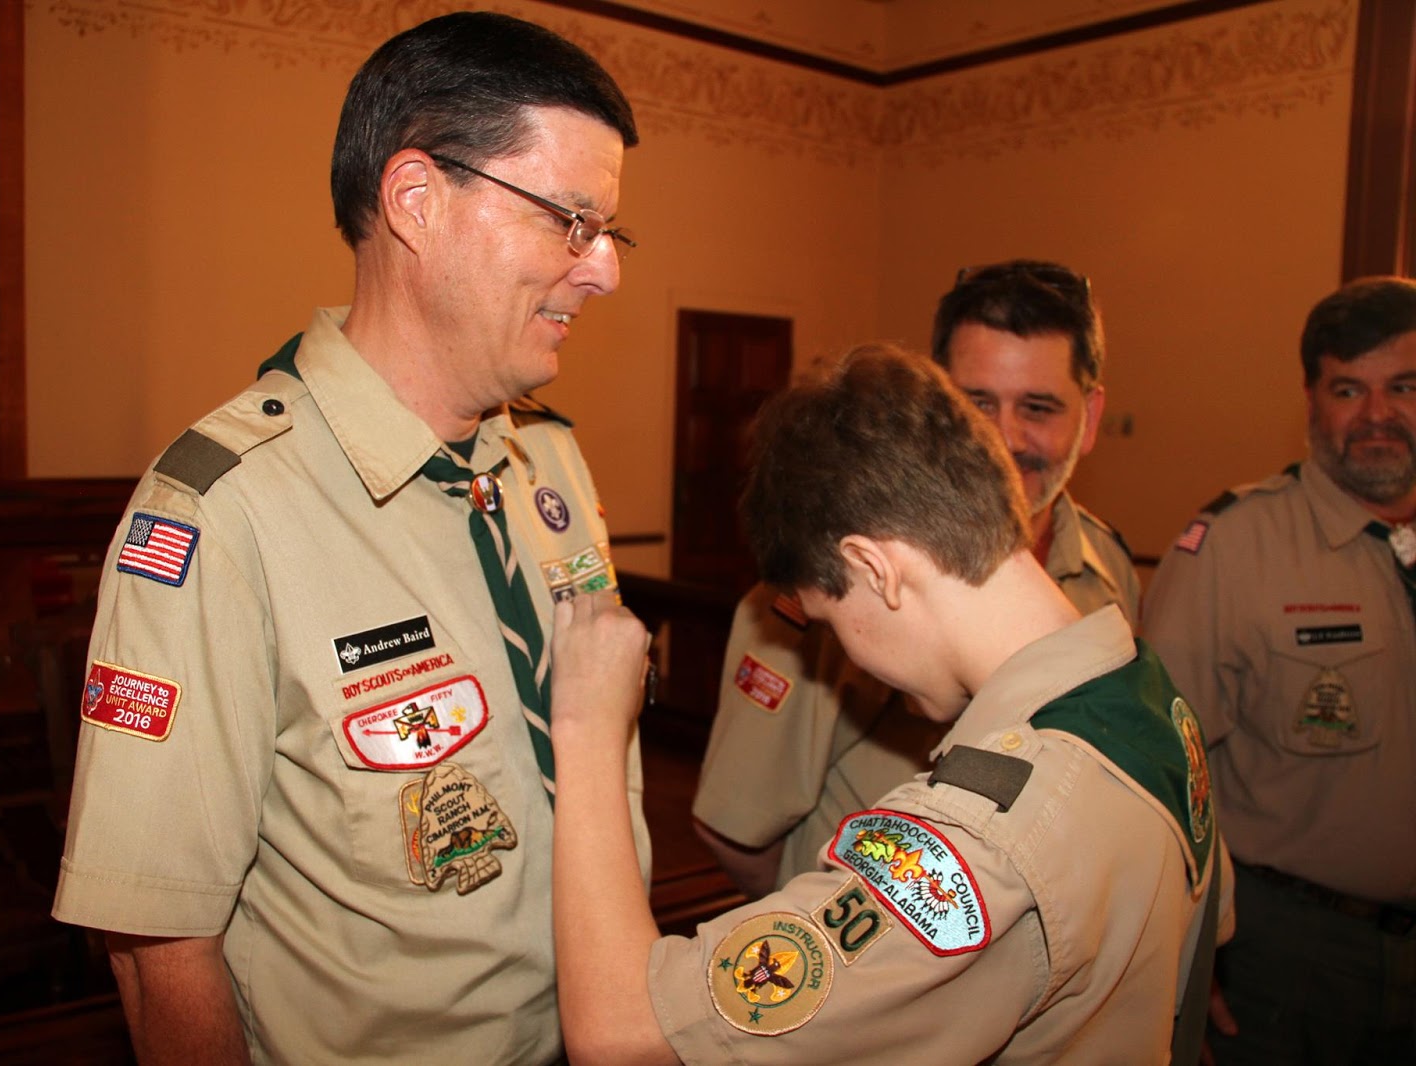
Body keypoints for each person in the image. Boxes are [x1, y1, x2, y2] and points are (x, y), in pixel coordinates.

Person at [51, 13, 649, 1064]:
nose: (602, 270)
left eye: (609, 232)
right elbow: (157, 942)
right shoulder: (220, 512)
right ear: (416, 200)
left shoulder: (551, 462)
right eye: (570, 219)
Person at [551, 345, 1229, 1063]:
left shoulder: (985, 841)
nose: (849, 654)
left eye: (835, 621)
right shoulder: (1144, 692)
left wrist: (590, 725)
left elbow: (621, 1037)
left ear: (874, 567)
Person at [694, 260, 1141, 895]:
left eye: (1037, 408)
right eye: (976, 402)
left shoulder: (1108, 566)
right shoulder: (823, 595)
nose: (1003, 438)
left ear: (1090, 418)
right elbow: (739, 831)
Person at [1142, 276, 1416, 1064]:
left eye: (1403, 386)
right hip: (1288, 954)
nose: (1377, 416)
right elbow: (1160, 775)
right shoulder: (1232, 547)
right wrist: (1190, 955)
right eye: (1347, 389)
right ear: (1310, 400)